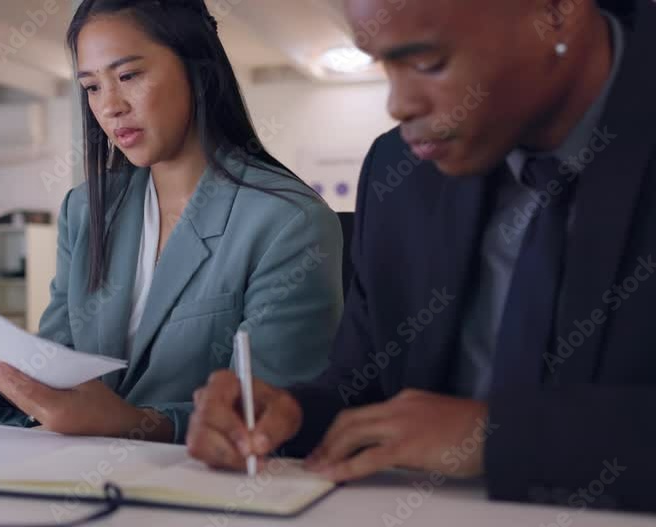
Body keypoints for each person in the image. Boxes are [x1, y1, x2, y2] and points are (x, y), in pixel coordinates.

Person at [186, 0, 656, 512]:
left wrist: (492, 436)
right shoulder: (399, 174)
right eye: (384, 64)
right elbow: (365, 382)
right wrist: (292, 413)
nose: (398, 103)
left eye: (428, 62)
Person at [0, 0, 344, 444]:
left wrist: (131, 423)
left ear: (197, 69)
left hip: (210, 490)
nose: (110, 106)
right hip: (74, 478)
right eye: (91, 87)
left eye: (128, 76)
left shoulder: (286, 222)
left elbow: (276, 416)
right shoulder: (85, 210)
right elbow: (59, 360)